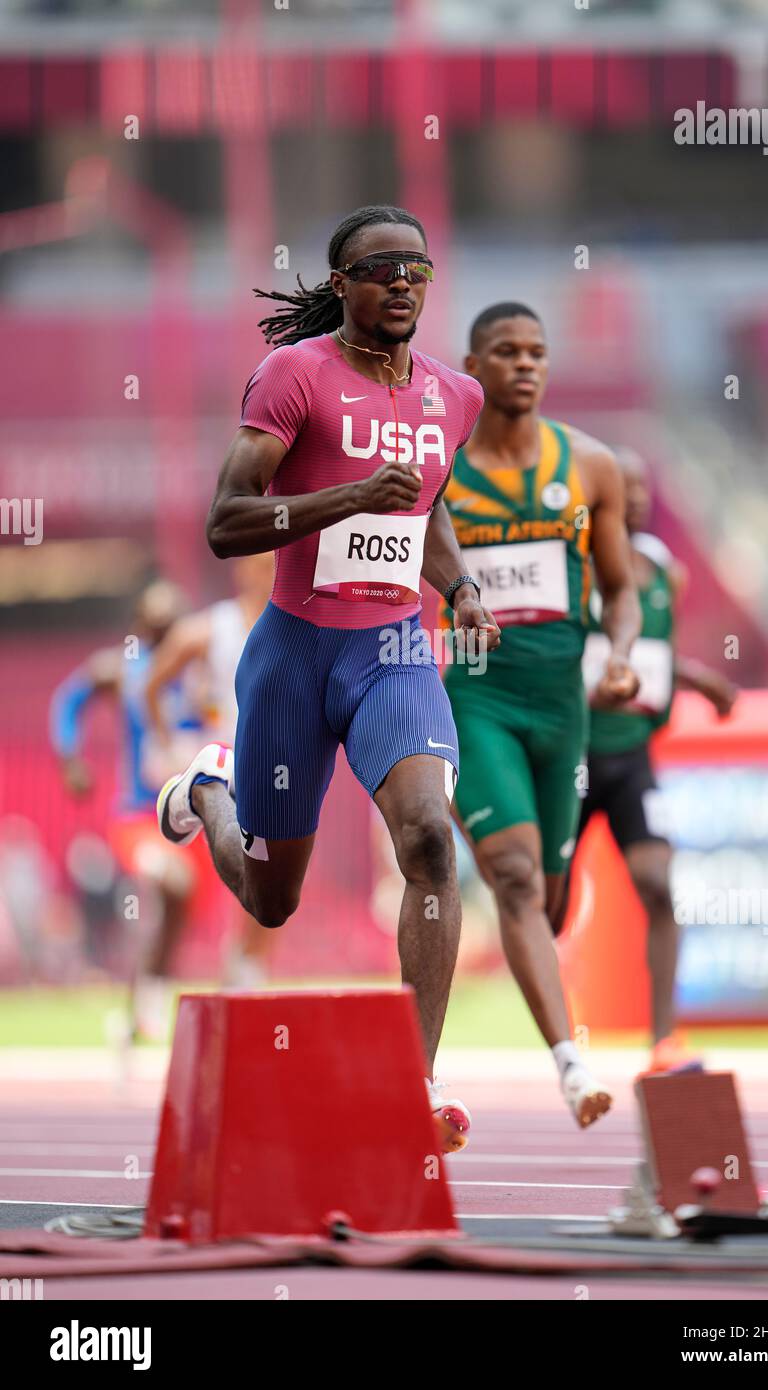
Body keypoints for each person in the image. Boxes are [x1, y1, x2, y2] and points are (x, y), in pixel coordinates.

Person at [156, 205, 501, 1153]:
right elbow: (226, 521)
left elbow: (424, 510)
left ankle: (412, 1085)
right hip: (297, 653)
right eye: (378, 267)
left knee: (430, 840)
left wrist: (462, 584)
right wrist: (348, 494)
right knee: (274, 899)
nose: (400, 282)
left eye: (415, 269)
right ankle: (208, 791)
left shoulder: (455, 397)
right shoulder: (293, 375)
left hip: (394, 651)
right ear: (341, 285)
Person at [442, 302, 640, 1129]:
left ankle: (531, 966)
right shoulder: (441, 470)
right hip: (477, 692)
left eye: (537, 353)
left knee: (549, 904)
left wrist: (619, 653)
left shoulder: (590, 467)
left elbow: (623, 587)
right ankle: (571, 1069)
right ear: (472, 364)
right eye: (506, 352)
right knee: (516, 878)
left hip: (564, 706)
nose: (525, 365)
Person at [560, 446, 738, 1074]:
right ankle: (558, 1037)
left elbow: (652, 655)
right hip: (574, 759)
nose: (632, 498)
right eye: (620, 486)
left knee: (659, 886)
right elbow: (552, 660)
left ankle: (664, 1040)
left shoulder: (666, 573)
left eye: (640, 488)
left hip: (632, 758)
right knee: (547, 903)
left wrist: (698, 680)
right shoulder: (569, 571)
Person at [50, 579, 201, 1039]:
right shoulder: (125, 668)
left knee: (179, 906)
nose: (164, 636)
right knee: (169, 885)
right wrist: (70, 758)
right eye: (156, 627)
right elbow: (69, 699)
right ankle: (144, 1006)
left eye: (172, 626)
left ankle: (141, 1008)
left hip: (192, 818)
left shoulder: (199, 670)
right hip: (138, 816)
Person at [145, 552, 276, 988]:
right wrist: (166, 742)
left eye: (276, 564)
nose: (270, 573)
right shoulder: (208, 629)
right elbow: (152, 685)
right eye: (261, 564)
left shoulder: (289, 627)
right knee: (203, 876)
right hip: (222, 757)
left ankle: (245, 961)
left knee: (279, 868)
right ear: (241, 570)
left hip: (272, 761)